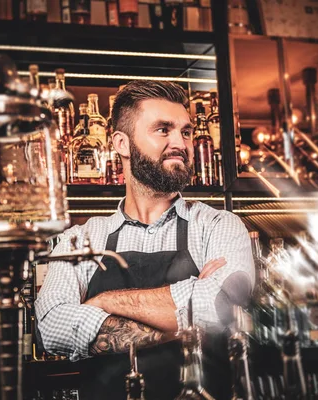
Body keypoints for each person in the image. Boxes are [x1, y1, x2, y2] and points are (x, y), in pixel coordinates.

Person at [35, 80, 254, 399]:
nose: (180, 142)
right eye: (163, 129)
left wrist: (102, 302)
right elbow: (50, 326)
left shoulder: (219, 225)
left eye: (186, 131)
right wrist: (188, 302)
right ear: (121, 144)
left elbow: (220, 307)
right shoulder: (79, 239)